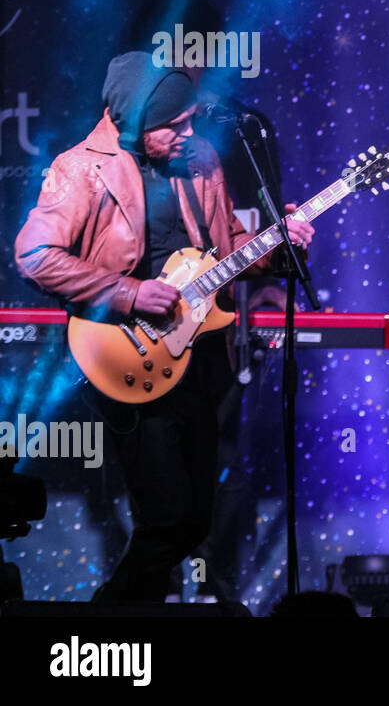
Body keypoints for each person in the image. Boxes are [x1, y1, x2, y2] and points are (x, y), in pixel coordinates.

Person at [13, 51, 314, 603]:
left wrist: (276, 246)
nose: (187, 132)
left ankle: (128, 620)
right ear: (132, 123)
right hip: (128, 357)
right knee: (167, 515)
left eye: (191, 119)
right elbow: (35, 254)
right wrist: (128, 293)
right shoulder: (81, 169)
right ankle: (106, 624)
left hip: (198, 356)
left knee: (195, 519)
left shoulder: (200, 161)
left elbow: (224, 257)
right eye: (172, 125)